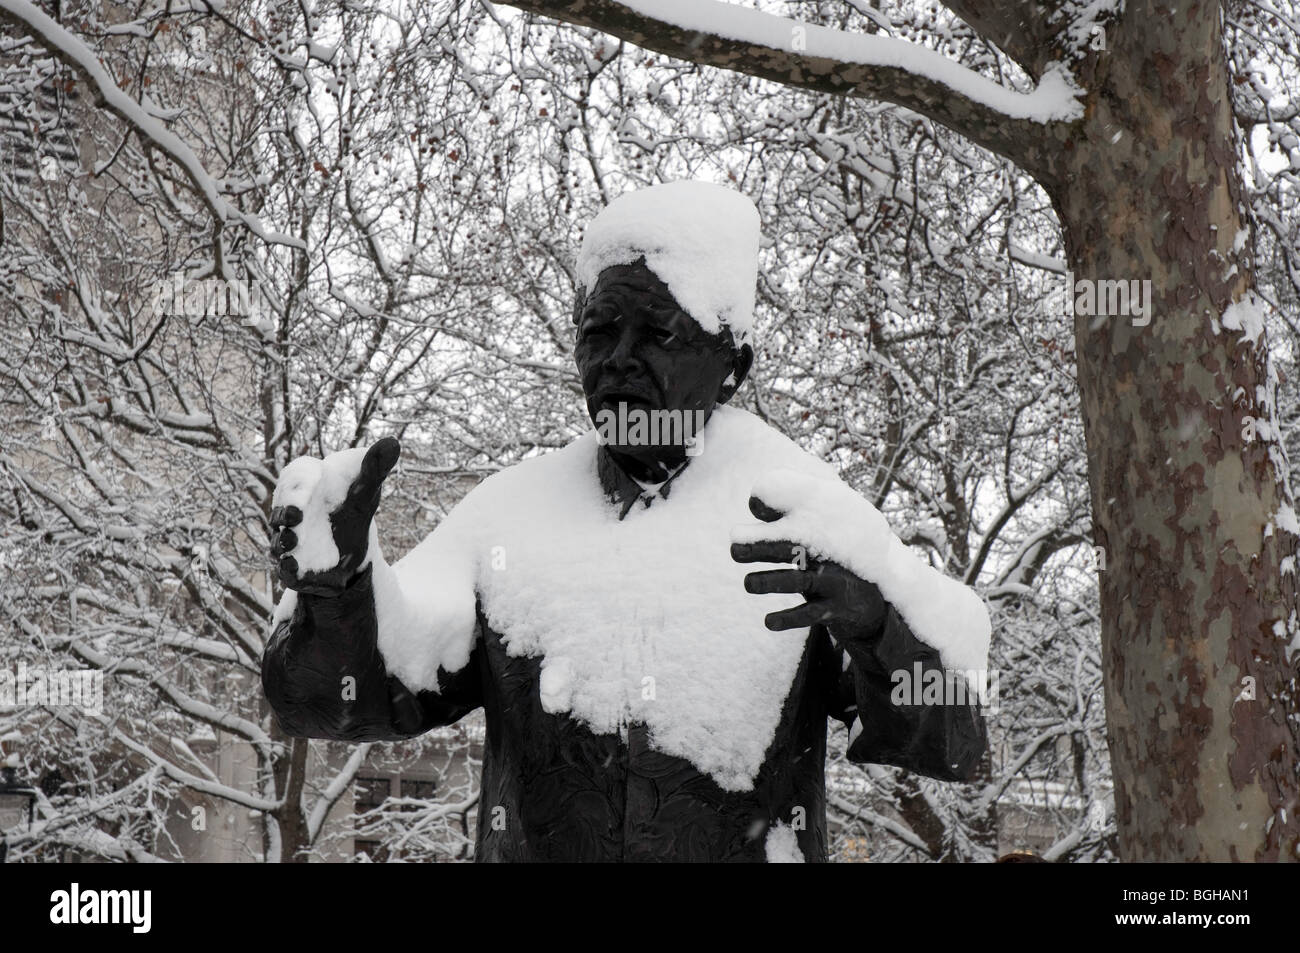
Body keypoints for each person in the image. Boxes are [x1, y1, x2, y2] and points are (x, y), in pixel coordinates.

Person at [262, 180, 990, 862]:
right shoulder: (508, 520)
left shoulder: (806, 518)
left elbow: (957, 741)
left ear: (732, 365)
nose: (618, 360)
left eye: (656, 335)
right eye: (600, 331)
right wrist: (337, 593)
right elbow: (333, 704)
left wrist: (878, 630)